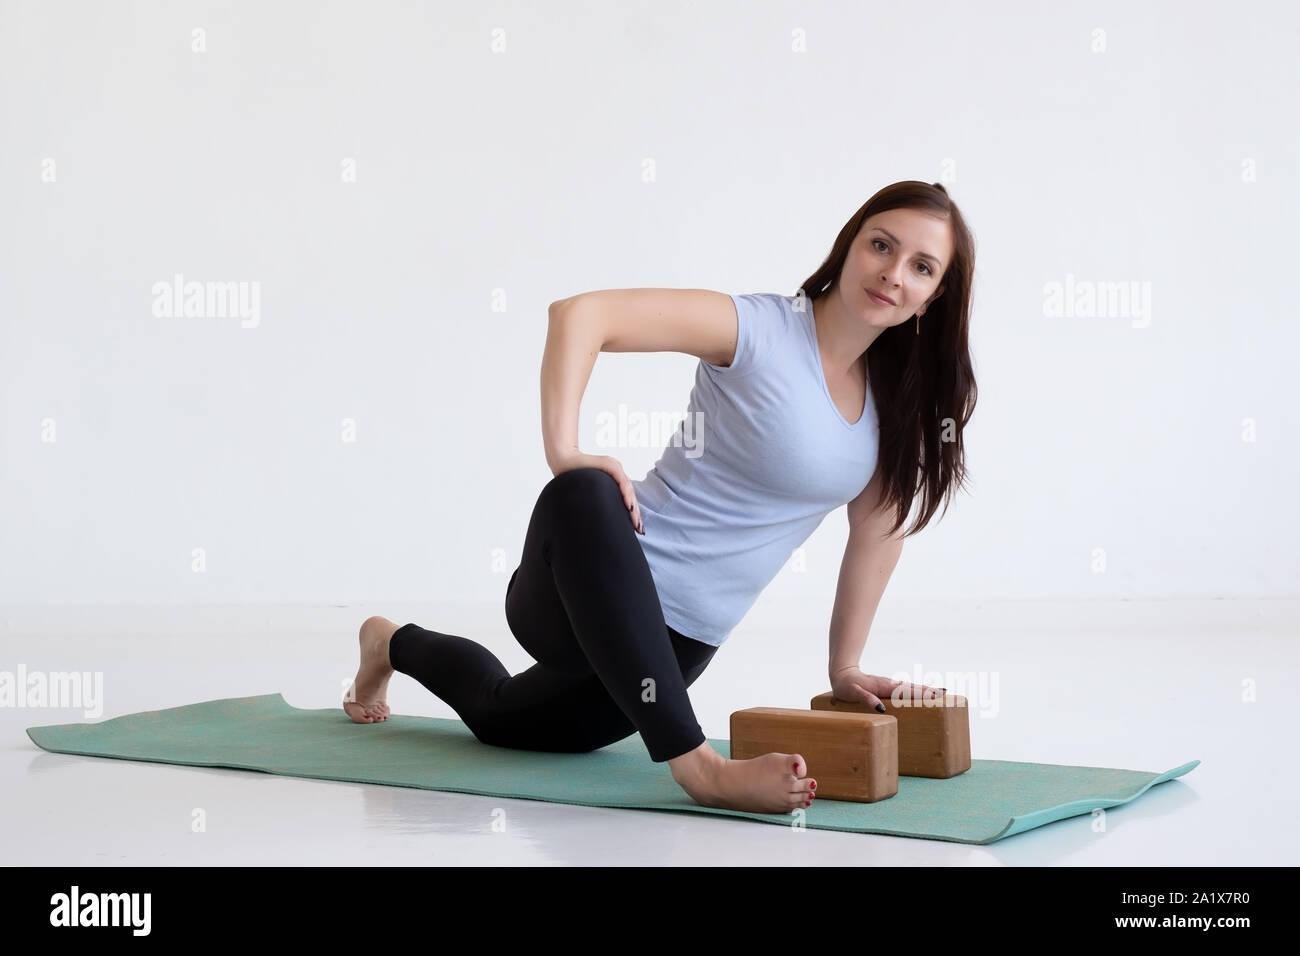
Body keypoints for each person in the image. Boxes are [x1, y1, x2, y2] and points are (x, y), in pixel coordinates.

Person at [342, 180, 977, 815]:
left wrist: (846, 667)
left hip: (676, 647)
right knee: (584, 491)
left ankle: (388, 643)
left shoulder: (895, 408)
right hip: (574, 596)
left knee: (498, 718)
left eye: (920, 267)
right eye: (881, 246)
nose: (893, 274)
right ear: (850, 245)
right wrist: (565, 452)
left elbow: (876, 534)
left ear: (934, 296)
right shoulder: (759, 328)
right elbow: (579, 314)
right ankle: (699, 768)